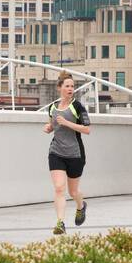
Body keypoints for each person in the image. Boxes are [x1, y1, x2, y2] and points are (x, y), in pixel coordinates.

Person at [42, 71, 91, 235]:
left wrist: (68, 123)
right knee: (58, 188)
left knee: (73, 192)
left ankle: (80, 206)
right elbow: (52, 125)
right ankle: (60, 222)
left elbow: (87, 129)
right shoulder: (52, 107)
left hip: (75, 154)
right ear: (60, 88)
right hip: (56, 152)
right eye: (67, 86)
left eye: (72, 86)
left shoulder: (78, 107)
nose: (70, 89)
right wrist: (48, 128)